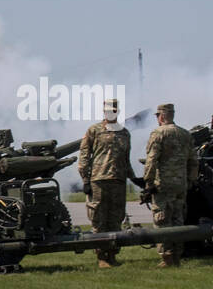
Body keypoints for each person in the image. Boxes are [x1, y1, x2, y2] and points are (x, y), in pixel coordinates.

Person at [78, 98, 143, 268]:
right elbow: (84, 155)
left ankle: (113, 255)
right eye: (107, 109)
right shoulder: (94, 130)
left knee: (115, 219)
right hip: (98, 180)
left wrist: (133, 177)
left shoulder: (124, 133)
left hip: (118, 181)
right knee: (99, 220)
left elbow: (125, 159)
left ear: (117, 111)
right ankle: (101, 257)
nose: (110, 112)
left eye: (113, 109)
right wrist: (85, 179)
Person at [143, 103, 198, 268]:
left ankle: (166, 257)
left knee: (162, 220)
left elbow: (151, 160)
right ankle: (177, 257)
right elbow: (194, 161)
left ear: (161, 116)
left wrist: (148, 183)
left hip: (163, 185)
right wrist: (190, 181)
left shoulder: (158, 133)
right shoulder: (185, 134)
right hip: (180, 185)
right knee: (178, 219)